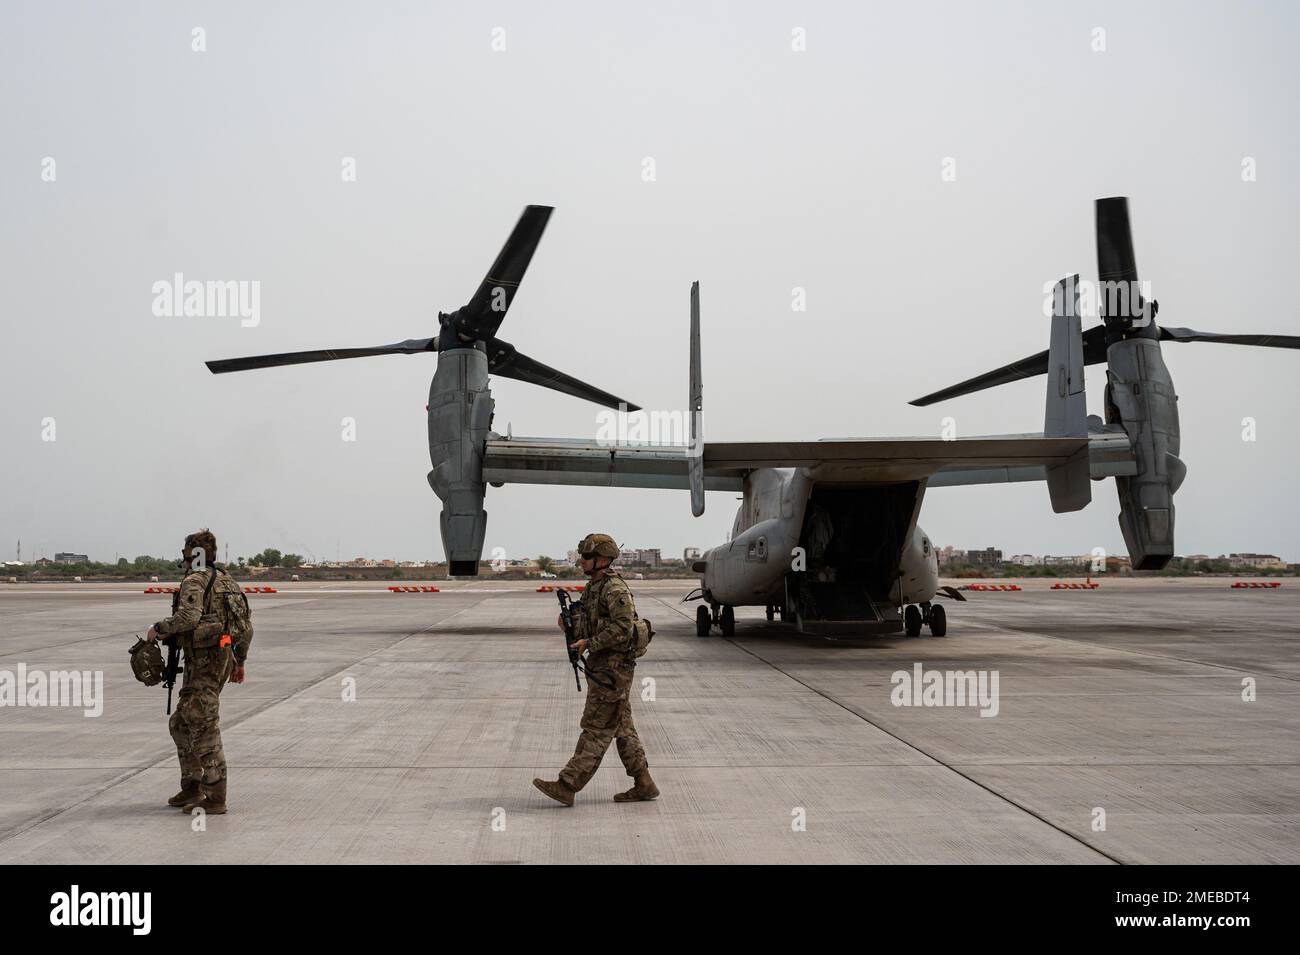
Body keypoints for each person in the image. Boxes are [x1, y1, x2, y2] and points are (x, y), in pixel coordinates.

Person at [533, 533, 658, 806]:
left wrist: (590, 643)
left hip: (614, 668)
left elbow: (623, 628)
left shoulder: (614, 589)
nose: (582, 562)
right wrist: (572, 624)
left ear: (601, 560)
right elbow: (593, 622)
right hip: (602, 665)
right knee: (622, 727)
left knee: (597, 726)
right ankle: (644, 783)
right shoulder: (594, 588)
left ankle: (568, 785)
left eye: (587, 557)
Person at [146, 529, 253, 814]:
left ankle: (216, 795)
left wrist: (158, 630)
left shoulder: (195, 581)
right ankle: (192, 786)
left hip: (206, 662)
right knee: (181, 724)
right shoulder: (227, 582)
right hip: (218, 660)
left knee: (204, 726)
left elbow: (187, 617)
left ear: (193, 555)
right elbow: (245, 627)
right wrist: (239, 661)